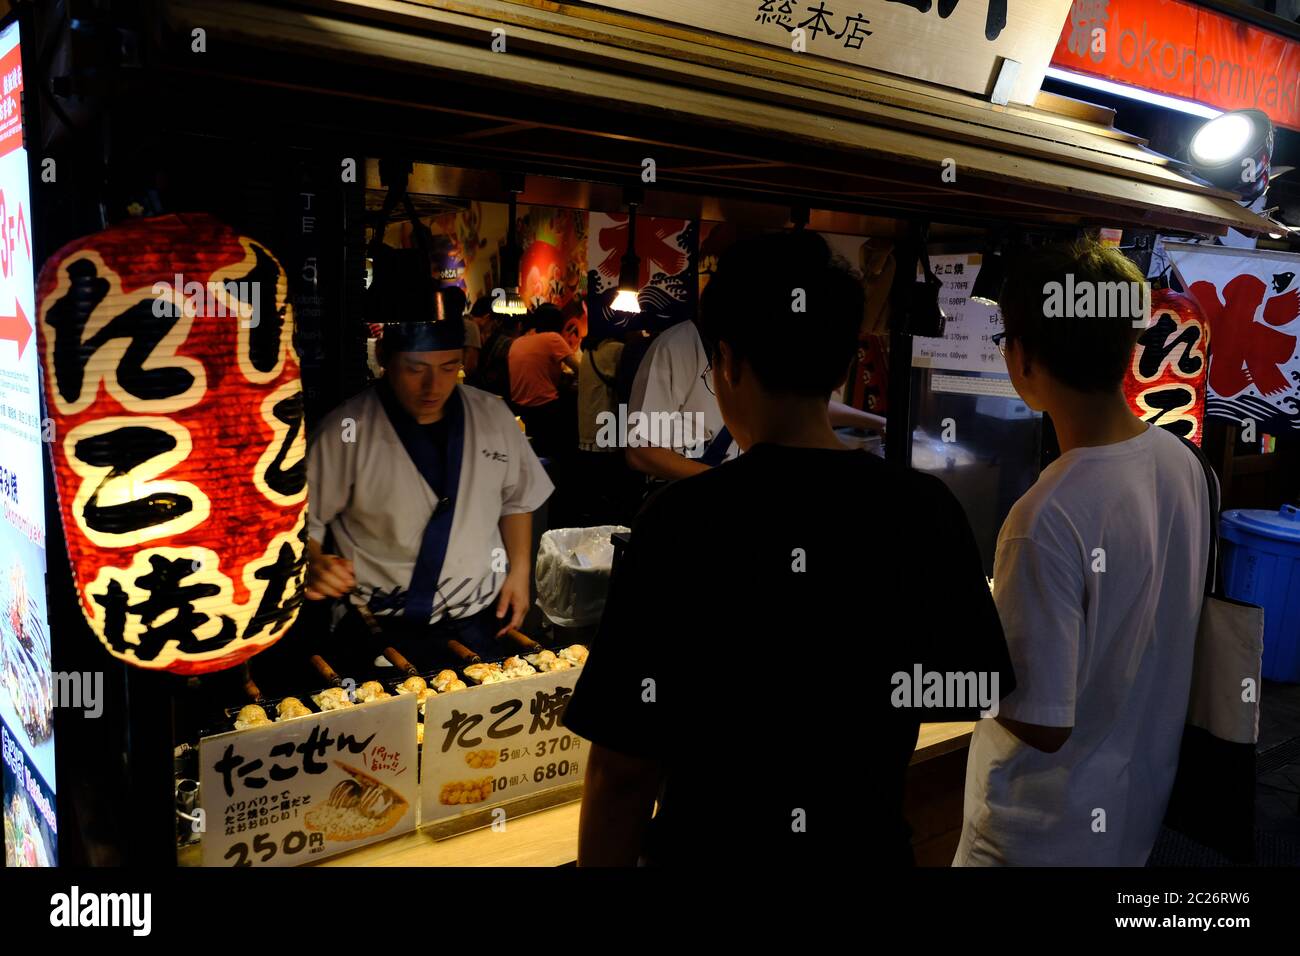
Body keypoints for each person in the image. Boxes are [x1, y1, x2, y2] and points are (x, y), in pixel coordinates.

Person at [561, 231, 1012, 866]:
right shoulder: (922, 508)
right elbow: (972, 687)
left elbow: (620, 771)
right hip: (863, 850)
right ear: (843, 365)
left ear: (728, 363)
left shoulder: (681, 522)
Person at [954, 238, 1211, 867]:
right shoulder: (1185, 463)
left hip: (1032, 836)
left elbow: (1043, 720)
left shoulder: (1043, 517)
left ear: (1022, 358)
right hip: (1131, 815)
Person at [304, 248, 553, 660]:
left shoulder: (492, 414)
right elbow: (305, 523)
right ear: (383, 358)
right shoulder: (345, 430)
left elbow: (517, 497)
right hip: (380, 627)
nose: (432, 386)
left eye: (447, 368)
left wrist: (520, 571)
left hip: (479, 619)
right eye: (416, 370)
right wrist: (315, 562)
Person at [625, 300, 887, 483]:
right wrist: (728, 482)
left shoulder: (765, 343)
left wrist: (878, 422)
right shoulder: (675, 346)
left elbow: (805, 402)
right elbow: (642, 451)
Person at [508, 302, 580, 458]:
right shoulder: (552, 338)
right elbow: (580, 369)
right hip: (545, 409)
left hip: (519, 410)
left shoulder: (518, 341)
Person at [466, 294, 517, 399]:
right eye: (494, 323)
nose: (492, 329)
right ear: (487, 317)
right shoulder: (472, 328)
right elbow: (471, 366)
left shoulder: (464, 325)